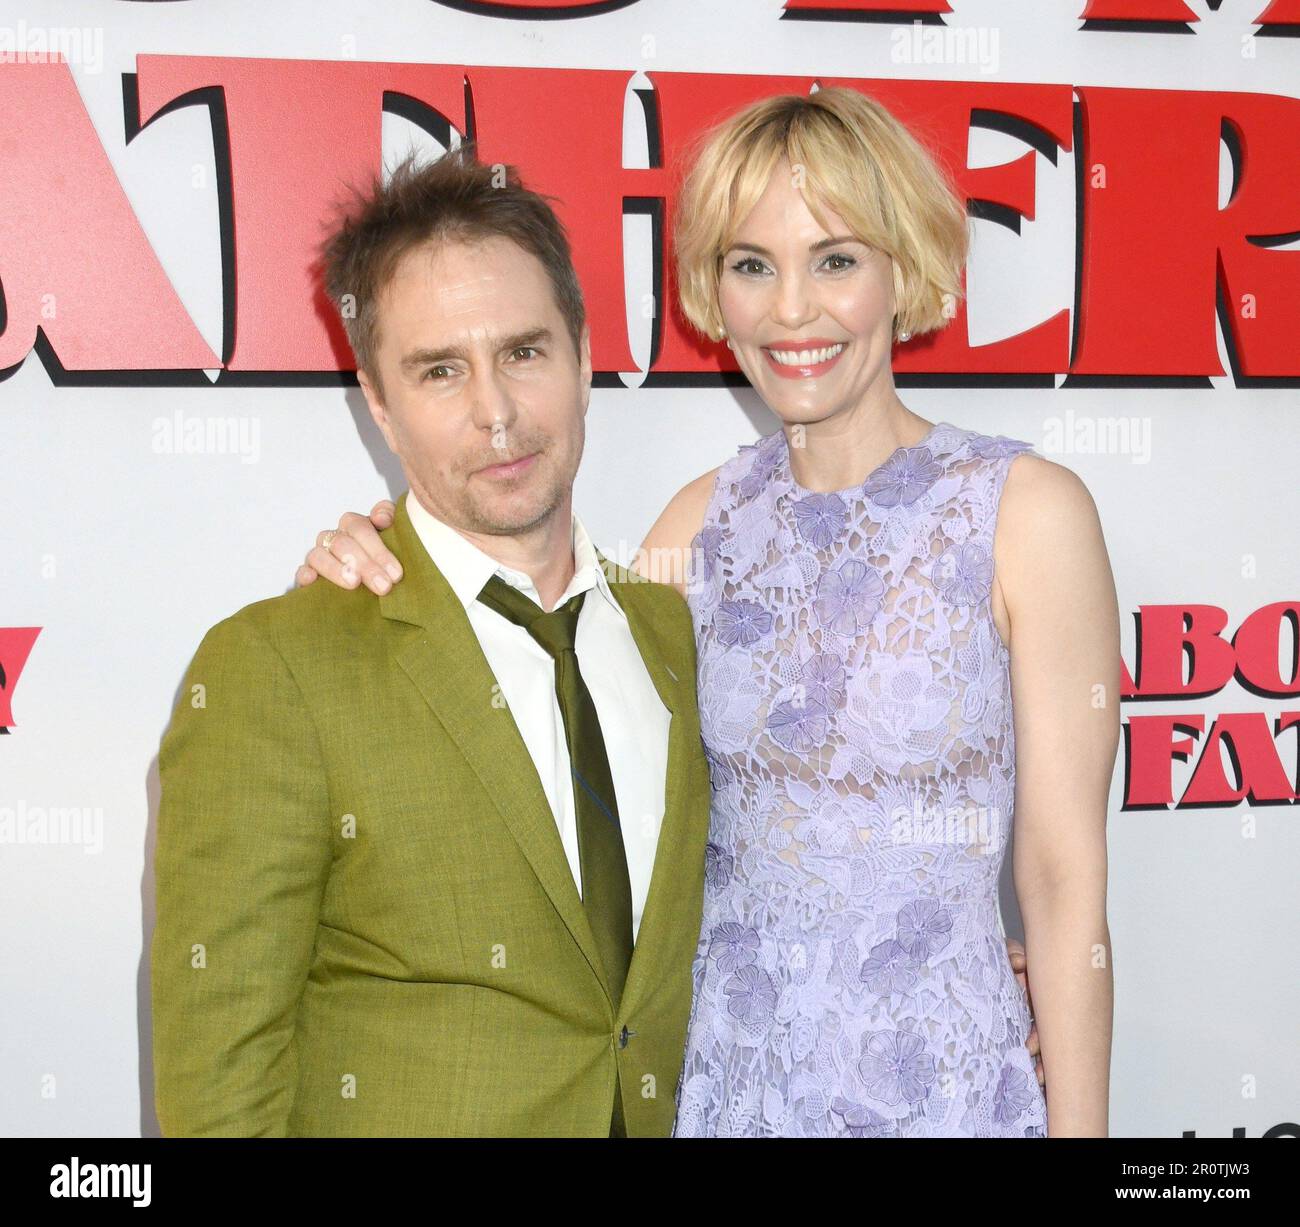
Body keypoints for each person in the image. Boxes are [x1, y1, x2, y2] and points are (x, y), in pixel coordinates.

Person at [301, 89, 1100, 1137]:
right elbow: (542, 721)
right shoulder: (697, 525)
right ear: (712, 289)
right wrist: (372, 567)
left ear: (904, 267)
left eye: (836, 259)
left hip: (941, 1088)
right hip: (726, 1083)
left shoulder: (1024, 514)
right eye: (751, 264)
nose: (791, 311)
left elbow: (1061, 876)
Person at [150, 145, 714, 1137]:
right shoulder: (274, 669)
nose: (496, 414)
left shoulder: (674, 634)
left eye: (524, 352)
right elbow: (221, 1088)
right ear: (379, 402)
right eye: (440, 370)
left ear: (583, 358)